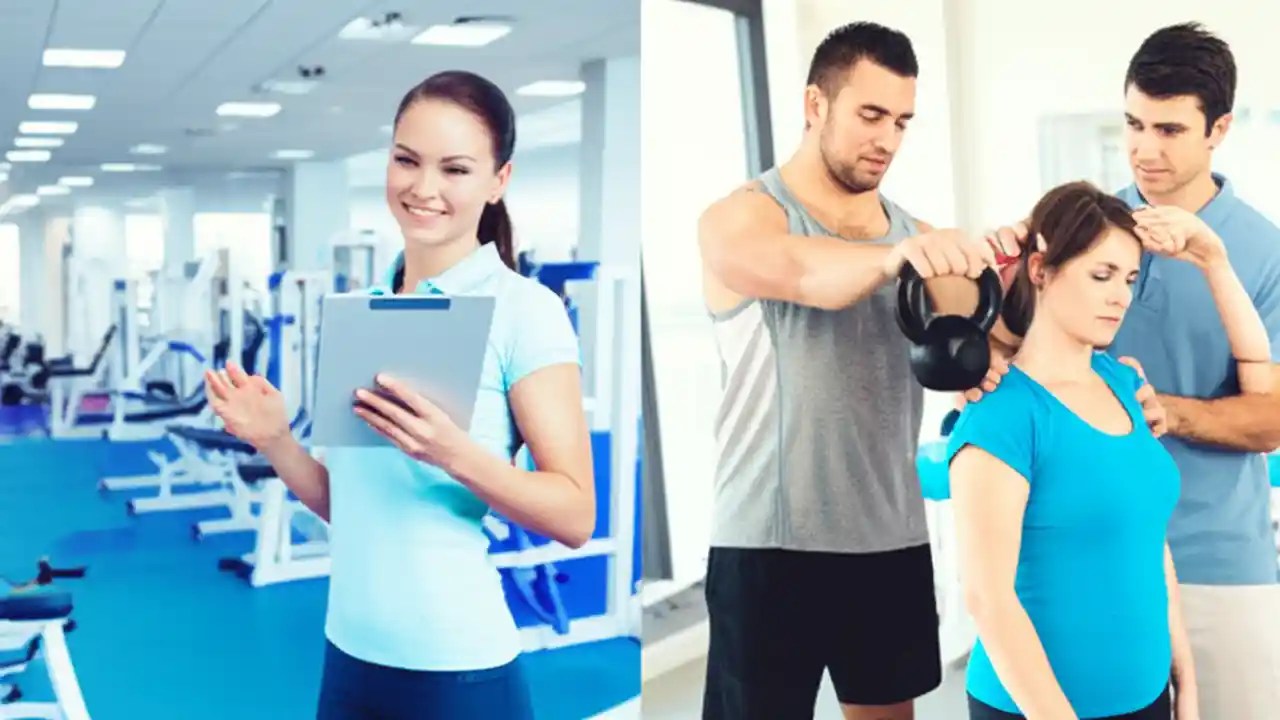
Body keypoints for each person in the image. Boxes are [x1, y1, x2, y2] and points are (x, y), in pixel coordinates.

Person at [204, 70, 596, 720]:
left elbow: (576, 516)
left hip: (456, 671)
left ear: (499, 181)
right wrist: (273, 437)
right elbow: (349, 504)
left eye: (456, 169)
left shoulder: (525, 310)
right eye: (406, 160)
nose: (423, 188)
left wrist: (453, 452)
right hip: (347, 658)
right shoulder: (363, 309)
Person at [695, 22, 1022, 720]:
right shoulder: (740, 218)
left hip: (888, 534)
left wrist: (1012, 269)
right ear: (816, 104)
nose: (888, 140)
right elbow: (803, 272)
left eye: (902, 121)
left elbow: (993, 338)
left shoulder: (919, 237)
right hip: (769, 539)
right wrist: (895, 258)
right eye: (870, 115)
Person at [983, 23, 1280, 719]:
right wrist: (986, 344)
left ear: (1220, 129)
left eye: (1170, 130)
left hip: (1217, 563)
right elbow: (1008, 347)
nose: (1145, 149)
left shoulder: (1262, 252)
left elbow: (1272, 416)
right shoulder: (1086, 228)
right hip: (1077, 558)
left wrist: (1161, 412)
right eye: (1133, 124)